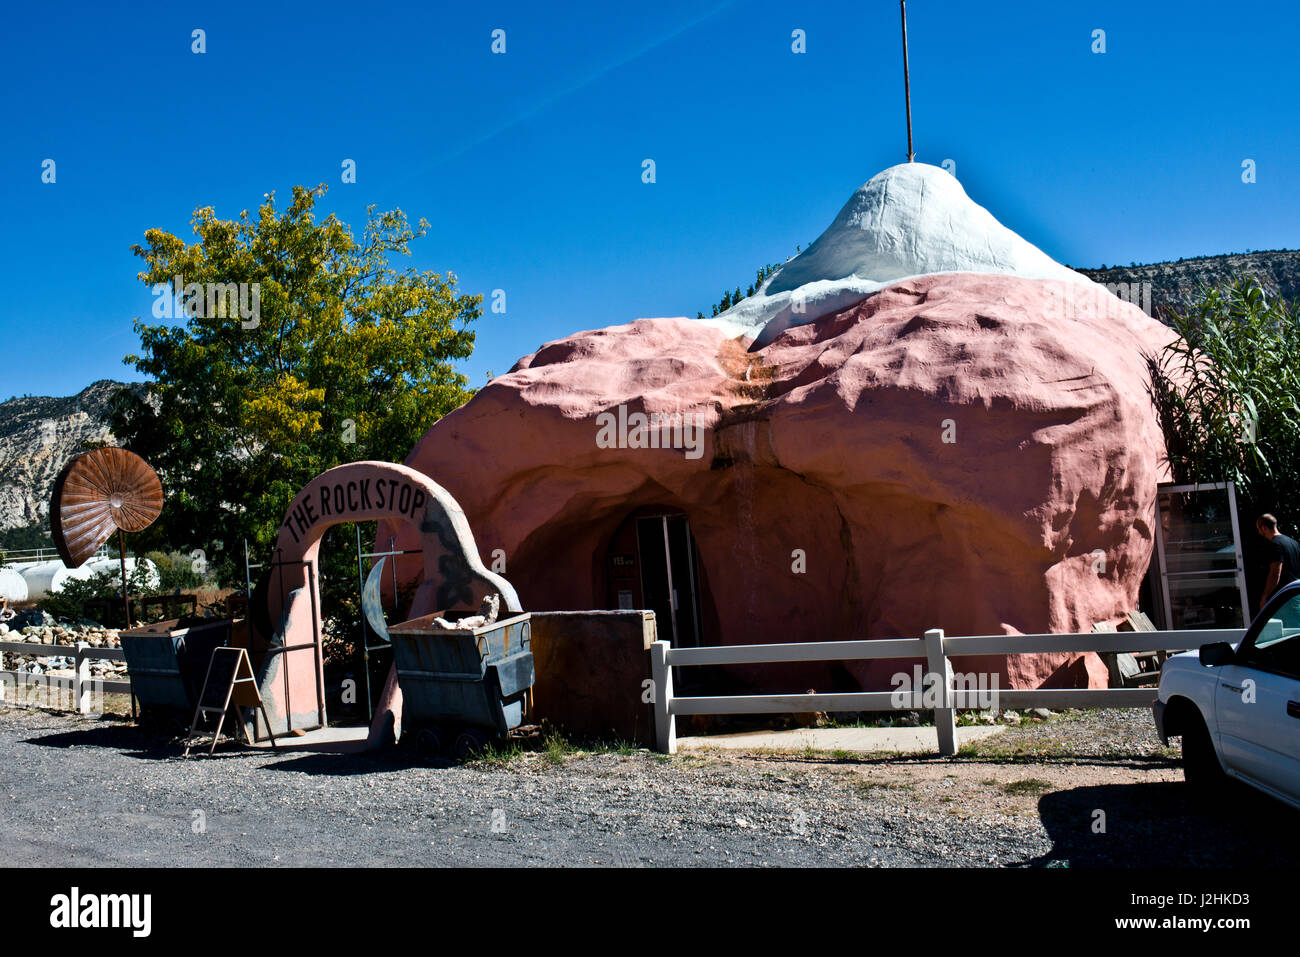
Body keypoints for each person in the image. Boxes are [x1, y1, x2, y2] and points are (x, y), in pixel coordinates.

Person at [1256, 513, 1300, 611]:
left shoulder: (1275, 545)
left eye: (1259, 529)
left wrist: (1265, 596)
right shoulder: (1293, 542)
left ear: (1263, 528)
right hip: (1297, 591)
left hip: (1286, 597)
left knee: (1288, 624)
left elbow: (1275, 573)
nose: (1259, 532)